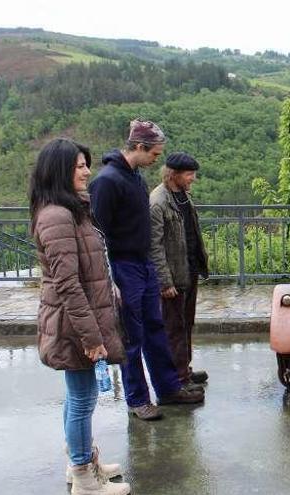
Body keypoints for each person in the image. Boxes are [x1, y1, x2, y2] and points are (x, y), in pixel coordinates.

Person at [29, 138, 131, 494]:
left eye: (86, 164)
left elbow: (87, 268)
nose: (87, 171)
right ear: (59, 171)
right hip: (75, 325)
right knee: (83, 399)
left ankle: (81, 460)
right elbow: (69, 284)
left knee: (77, 398)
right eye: (79, 166)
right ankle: (84, 477)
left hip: (79, 319)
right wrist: (92, 339)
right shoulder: (57, 216)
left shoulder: (71, 209)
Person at [88, 119, 203, 422]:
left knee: (156, 329)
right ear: (139, 147)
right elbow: (96, 234)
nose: (157, 160)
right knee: (131, 336)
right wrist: (109, 277)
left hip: (145, 264)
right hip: (124, 266)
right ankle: (137, 398)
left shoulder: (135, 178)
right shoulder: (107, 181)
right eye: (154, 154)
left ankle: (167, 388)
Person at [149, 152, 210, 390]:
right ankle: (178, 380)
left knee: (186, 324)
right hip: (173, 277)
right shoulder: (158, 202)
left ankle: (184, 369)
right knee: (173, 328)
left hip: (188, 272)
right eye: (189, 174)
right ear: (173, 175)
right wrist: (164, 282)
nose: (193, 178)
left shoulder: (183, 196)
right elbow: (154, 246)